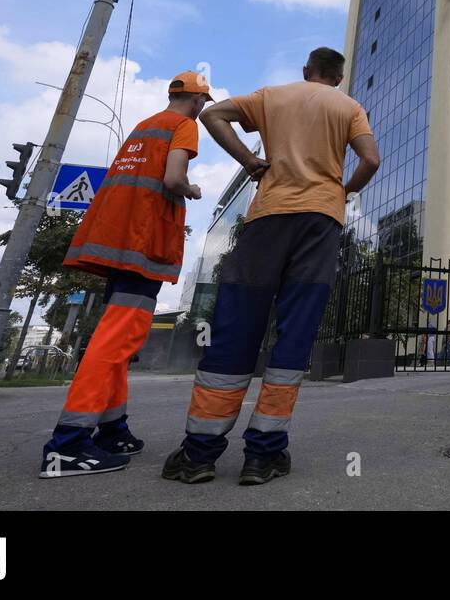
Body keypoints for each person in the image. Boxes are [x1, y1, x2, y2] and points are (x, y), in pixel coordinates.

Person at [163, 47, 380, 486]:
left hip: (267, 218)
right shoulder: (349, 107)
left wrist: (249, 160)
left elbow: (213, 116)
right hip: (320, 222)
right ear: (338, 77)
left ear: (307, 71)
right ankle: (262, 456)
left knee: (238, 323)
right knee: (295, 332)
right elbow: (371, 160)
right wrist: (343, 193)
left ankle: (199, 455)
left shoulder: (272, 95)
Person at [38, 71, 209, 478]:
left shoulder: (144, 125)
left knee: (116, 339)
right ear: (199, 100)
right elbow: (172, 177)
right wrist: (192, 190)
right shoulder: (184, 126)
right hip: (143, 242)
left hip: (114, 240)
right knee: (116, 340)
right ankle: (67, 444)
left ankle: (112, 430)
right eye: (204, 101)